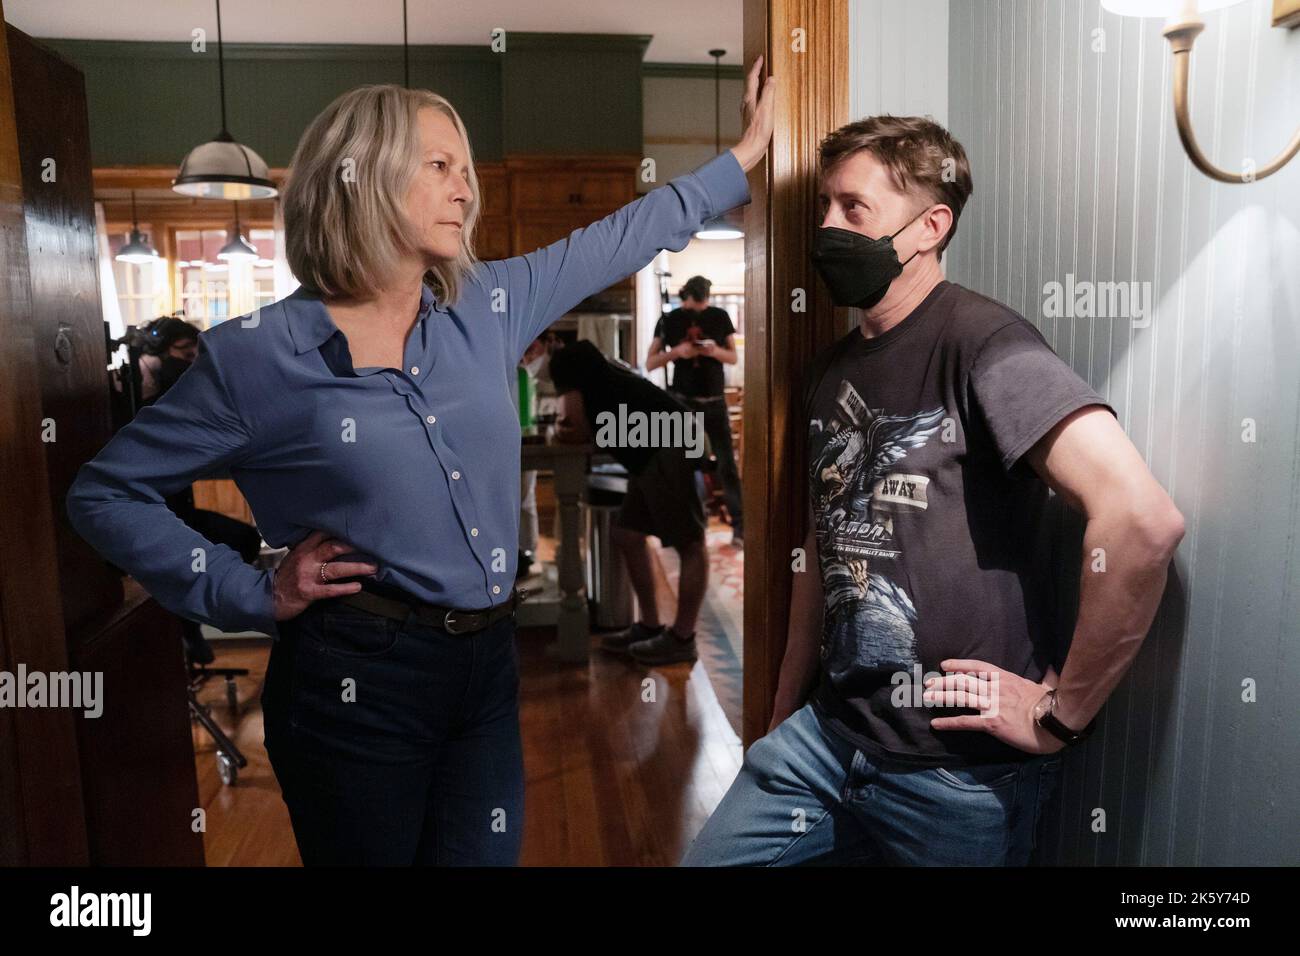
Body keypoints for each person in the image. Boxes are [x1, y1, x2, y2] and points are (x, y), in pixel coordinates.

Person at [66, 66, 774, 866]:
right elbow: (105, 492)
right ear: (359, 178)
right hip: (355, 678)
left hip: (484, 668)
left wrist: (743, 153)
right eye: (440, 166)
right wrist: (245, 591)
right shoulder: (257, 357)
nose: (464, 188)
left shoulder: (489, 305)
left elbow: (623, 232)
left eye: (465, 168)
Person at [682, 114, 1184, 866]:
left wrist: (1061, 714)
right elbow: (820, 549)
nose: (827, 227)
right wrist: (784, 708)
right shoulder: (830, 370)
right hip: (824, 741)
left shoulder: (986, 344)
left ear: (929, 227)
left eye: (854, 209)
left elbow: (1143, 522)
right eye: (825, 206)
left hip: (953, 775)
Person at [549, 340, 708, 666]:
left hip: (670, 444)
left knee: (690, 544)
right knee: (626, 534)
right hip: (654, 451)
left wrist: (561, 428)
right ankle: (649, 625)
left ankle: (683, 638)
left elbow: (574, 431)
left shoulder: (583, 378)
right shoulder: (605, 377)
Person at [646, 275, 743, 545]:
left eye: (704, 306)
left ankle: (740, 529)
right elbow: (651, 362)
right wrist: (677, 352)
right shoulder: (669, 319)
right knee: (682, 466)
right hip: (682, 404)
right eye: (695, 306)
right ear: (686, 297)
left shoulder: (720, 316)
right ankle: (686, 527)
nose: (700, 311)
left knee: (727, 467)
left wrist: (713, 351)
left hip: (714, 402)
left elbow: (733, 357)